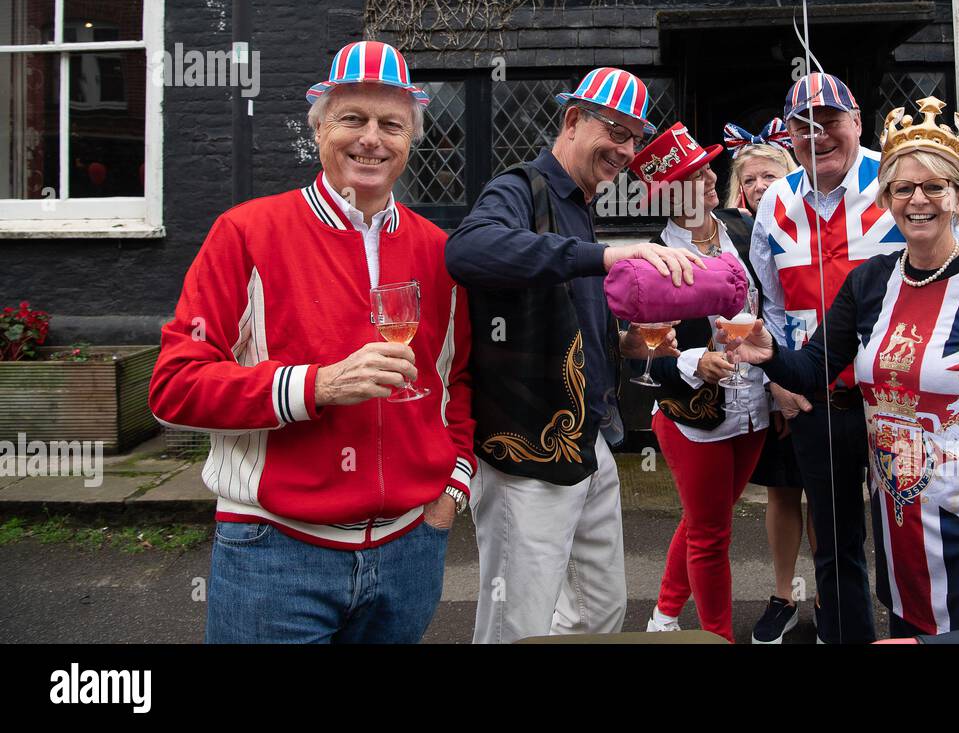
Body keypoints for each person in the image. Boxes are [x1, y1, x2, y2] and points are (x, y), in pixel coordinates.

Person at [150, 40, 473, 643]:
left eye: (391, 124)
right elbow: (173, 388)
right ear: (320, 127)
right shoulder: (245, 233)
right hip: (274, 551)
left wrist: (452, 489)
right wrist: (316, 384)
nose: (371, 139)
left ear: (410, 140)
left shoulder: (439, 249)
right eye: (352, 118)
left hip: (411, 551)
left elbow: (457, 383)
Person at [727, 95, 959, 637]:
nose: (919, 200)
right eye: (903, 188)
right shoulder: (869, 284)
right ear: (887, 198)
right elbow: (817, 367)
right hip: (903, 525)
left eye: (935, 186)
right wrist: (770, 357)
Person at [445, 67, 705, 644]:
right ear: (571, 121)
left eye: (635, 138)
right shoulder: (522, 187)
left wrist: (629, 344)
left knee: (601, 610)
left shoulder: (580, 205)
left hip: (591, 440)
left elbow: (569, 316)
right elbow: (469, 249)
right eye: (615, 130)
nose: (626, 150)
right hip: (527, 452)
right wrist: (609, 255)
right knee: (516, 624)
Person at [749, 72, 959, 644]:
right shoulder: (774, 202)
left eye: (830, 122)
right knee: (836, 542)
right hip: (817, 401)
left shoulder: (901, 183)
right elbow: (769, 305)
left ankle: (920, 636)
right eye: (803, 126)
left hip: (898, 401)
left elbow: (953, 273)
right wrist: (777, 384)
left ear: (857, 123)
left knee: (915, 533)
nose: (817, 135)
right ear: (789, 135)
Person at [630, 123, 769, 644]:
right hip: (695, 419)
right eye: (694, 175)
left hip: (753, 405)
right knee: (711, 534)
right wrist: (693, 359)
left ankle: (664, 616)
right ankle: (718, 636)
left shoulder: (745, 229)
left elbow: (770, 304)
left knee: (701, 521)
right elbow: (640, 358)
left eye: (708, 166)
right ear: (668, 192)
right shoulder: (651, 259)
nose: (711, 177)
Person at [722, 121, 814, 644]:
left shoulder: (813, 227)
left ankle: (830, 594)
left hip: (819, 375)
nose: (761, 187)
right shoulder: (728, 237)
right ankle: (783, 595)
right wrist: (774, 384)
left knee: (825, 494)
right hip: (764, 383)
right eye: (751, 179)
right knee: (782, 493)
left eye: (770, 176)